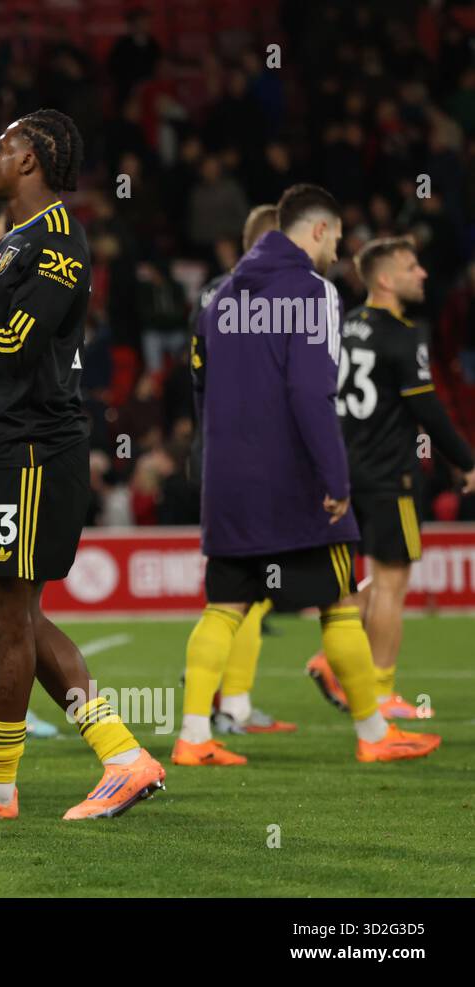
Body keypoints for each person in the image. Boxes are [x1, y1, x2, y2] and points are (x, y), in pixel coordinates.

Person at [174, 184, 441, 768]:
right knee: (340, 603)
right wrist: (335, 477)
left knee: (223, 606)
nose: (339, 252)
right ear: (317, 231)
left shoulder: (219, 297)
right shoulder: (314, 291)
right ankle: (374, 732)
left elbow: (200, 389)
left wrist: (218, 459)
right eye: (338, 239)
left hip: (228, 480)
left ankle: (194, 734)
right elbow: (310, 391)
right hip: (293, 480)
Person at [0, 109, 165, 821]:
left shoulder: (60, 242)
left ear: (35, 161)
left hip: (35, 449)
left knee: (8, 615)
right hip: (3, 444)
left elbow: (11, 341)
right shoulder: (13, 243)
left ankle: (1, 784)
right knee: (11, 612)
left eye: (3, 146)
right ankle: (119, 754)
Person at [306, 237, 475, 718]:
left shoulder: (342, 327)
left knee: (372, 582)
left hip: (342, 471)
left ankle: (331, 657)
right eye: (411, 266)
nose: (422, 273)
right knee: (392, 585)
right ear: (385, 279)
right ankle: (380, 692)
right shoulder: (403, 333)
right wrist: (465, 461)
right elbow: (428, 408)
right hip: (389, 475)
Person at [186, 204, 295, 737]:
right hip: (250, 458)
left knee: (243, 589)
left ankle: (226, 708)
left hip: (215, 450)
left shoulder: (213, 294)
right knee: (240, 591)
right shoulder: (266, 299)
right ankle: (222, 711)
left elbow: (200, 383)